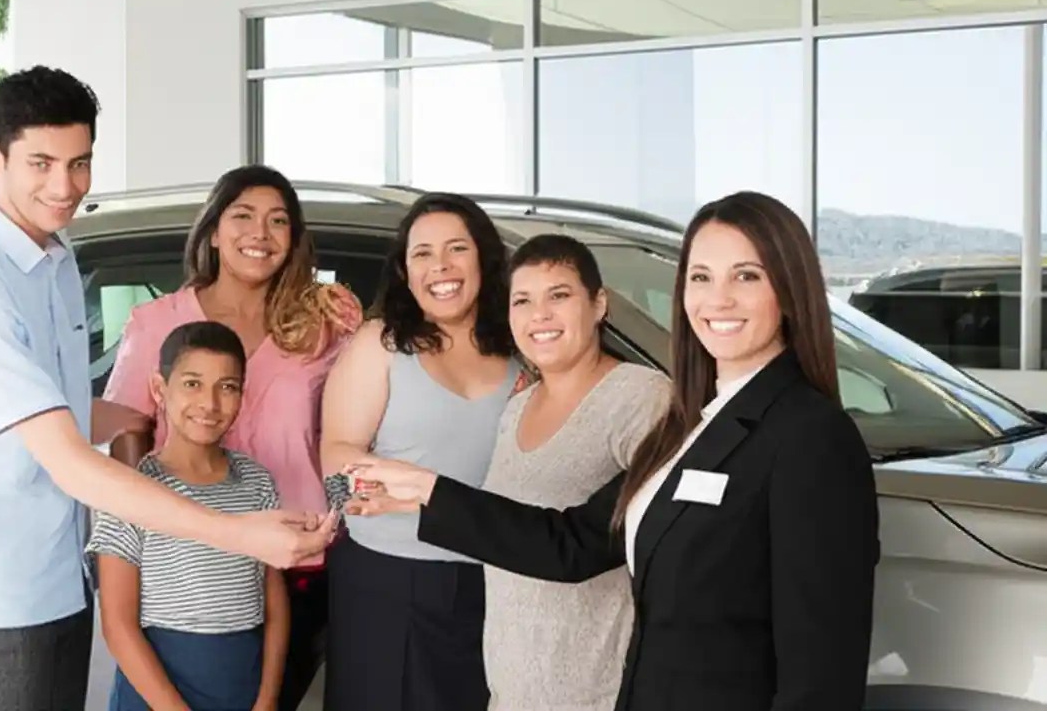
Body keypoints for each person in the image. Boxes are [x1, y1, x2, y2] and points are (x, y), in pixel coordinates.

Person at [0, 67, 336, 711]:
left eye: (80, 164)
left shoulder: (54, 255)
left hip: (57, 576)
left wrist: (157, 415)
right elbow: (71, 461)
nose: (65, 186)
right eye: (41, 163)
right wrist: (239, 534)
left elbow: (76, 411)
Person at [347, 191, 880, 711]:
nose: (718, 300)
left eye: (746, 276)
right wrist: (426, 491)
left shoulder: (810, 436)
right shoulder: (698, 425)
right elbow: (573, 544)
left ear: (788, 289)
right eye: (701, 277)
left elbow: (821, 677)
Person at [104, 164, 361, 709]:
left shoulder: (323, 321)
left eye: (278, 221)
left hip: (299, 560)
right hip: (185, 561)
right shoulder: (156, 322)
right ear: (213, 231)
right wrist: (135, 541)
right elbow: (127, 428)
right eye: (242, 216)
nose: (259, 234)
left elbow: (358, 422)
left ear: (293, 240)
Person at [320, 192, 521, 711]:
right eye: (423, 254)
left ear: (484, 259)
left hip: (497, 579)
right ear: (406, 272)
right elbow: (337, 450)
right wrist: (360, 495)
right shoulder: (381, 343)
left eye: (457, 249)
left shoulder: (523, 349)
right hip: (390, 578)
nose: (441, 267)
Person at [479, 234, 669, 710]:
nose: (538, 315)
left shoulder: (640, 397)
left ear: (598, 303)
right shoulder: (516, 408)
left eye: (558, 296)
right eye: (522, 300)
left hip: (596, 695)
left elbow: (658, 553)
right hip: (512, 693)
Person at [90, 321, 288, 711]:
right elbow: (118, 626)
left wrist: (266, 700)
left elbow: (274, 605)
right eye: (192, 384)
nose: (210, 404)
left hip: (240, 689)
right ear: (159, 390)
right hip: (156, 696)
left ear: (241, 396)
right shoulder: (131, 492)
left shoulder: (257, 484)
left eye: (227, 387)